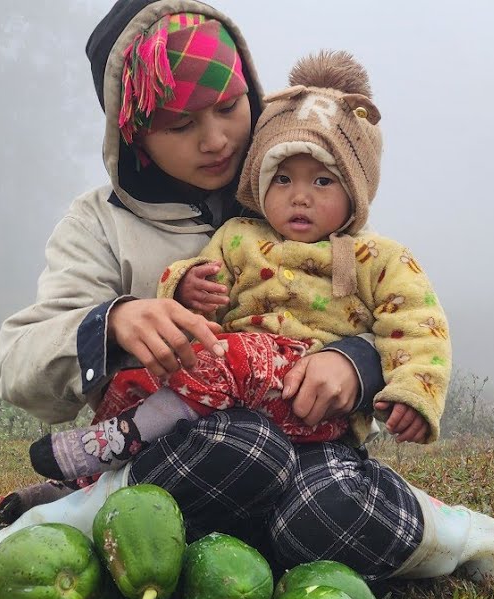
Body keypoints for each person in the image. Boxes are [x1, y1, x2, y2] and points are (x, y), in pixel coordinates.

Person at [0, 0, 494, 599]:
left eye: (230, 105)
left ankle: (461, 539)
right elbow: (18, 367)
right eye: (181, 124)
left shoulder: (293, 182)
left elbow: (390, 313)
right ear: (135, 136)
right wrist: (114, 322)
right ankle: (55, 531)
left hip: (310, 464)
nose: (216, 139)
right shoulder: (99, 225)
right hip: (179, 472)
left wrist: (355, 364)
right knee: (249, 448)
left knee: (324, 506)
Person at [28, 50, 449, 484]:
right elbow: (201, 292)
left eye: (323, 181)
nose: (300, 196)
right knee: (154, 374)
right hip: (218, 411)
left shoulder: (370, 255)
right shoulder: (237, 236)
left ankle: (122, 444)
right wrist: (182, 291)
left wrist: (395, 381)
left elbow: (418, 322)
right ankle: (77, 484)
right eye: (283, 179)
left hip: (309, 412)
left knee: (244, 364)